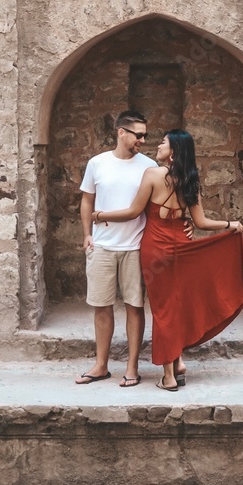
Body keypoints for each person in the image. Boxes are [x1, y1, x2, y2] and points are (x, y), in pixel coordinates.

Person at [92, 129, 243, 391]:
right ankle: (178, 363)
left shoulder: (153, 175)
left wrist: (99, 216)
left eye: (164, 143)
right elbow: (200, 222)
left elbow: (134, 212)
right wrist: (229, 224)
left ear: (174, 152)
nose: (158, 145)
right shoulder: (191, 181)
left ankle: (168, 377)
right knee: (176, 306)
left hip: (156, 250)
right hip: (182, 246)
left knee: (163, 310)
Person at [76, 110, 153, 387]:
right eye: (138, 135)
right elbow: (87, 200)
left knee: (135, 306)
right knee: (101, 307)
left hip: (135, 246)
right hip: (102, 246)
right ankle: (101, 366)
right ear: (122, 132)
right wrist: (87, 234)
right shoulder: (97, 163)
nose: (142, 140)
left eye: (145, 135)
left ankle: (132, 367)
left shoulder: (149, 165)